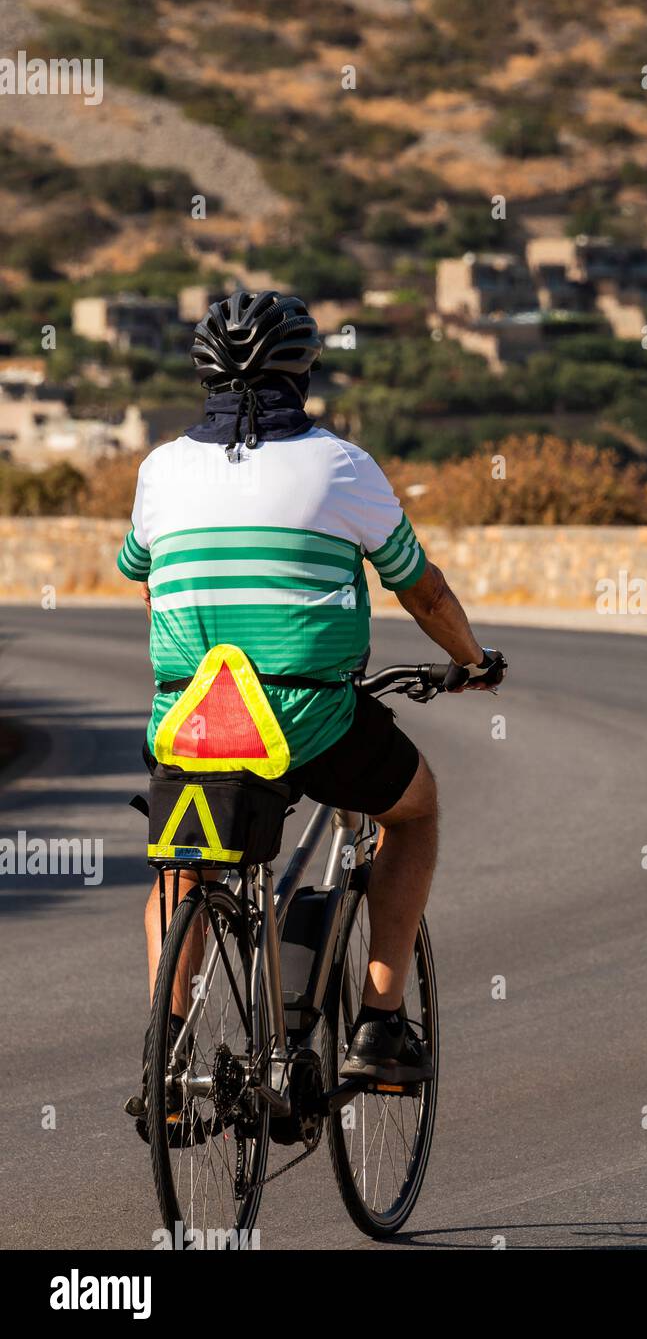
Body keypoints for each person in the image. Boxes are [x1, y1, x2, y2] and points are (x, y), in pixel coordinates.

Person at [117, 289, 505, 1094]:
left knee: (182, 871)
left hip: (190, 717)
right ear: (302, 374)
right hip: (307, 717)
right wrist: (472, 658)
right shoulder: (341, 465)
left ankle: (168, 1050)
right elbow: (422, 591)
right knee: (417, 808)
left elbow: (145, 580)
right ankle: (380, 1022)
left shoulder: (160, 470)